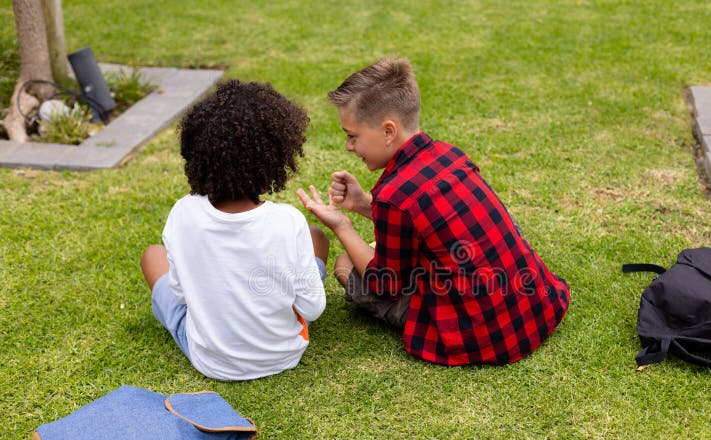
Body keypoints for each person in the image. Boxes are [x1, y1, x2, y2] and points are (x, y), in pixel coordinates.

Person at [297, 57, 570, 366]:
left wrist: (342, 226)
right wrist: (362, 204)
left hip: (484, 337)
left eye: (352, 135)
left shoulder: (394, 195)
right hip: (537, 307)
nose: (348, 146)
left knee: (346, 264)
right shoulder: (450, 154)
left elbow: (384, 284)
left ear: (388, 131)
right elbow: (423, 221)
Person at [140, 79, 328, 380]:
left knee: (152, 255)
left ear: (196, 155)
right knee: (316, 236)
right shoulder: (287, 221)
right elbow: (312, 308)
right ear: (276, 158)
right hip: (284, 353)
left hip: (211, 362)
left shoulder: (183, 213)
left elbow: (180, 293)